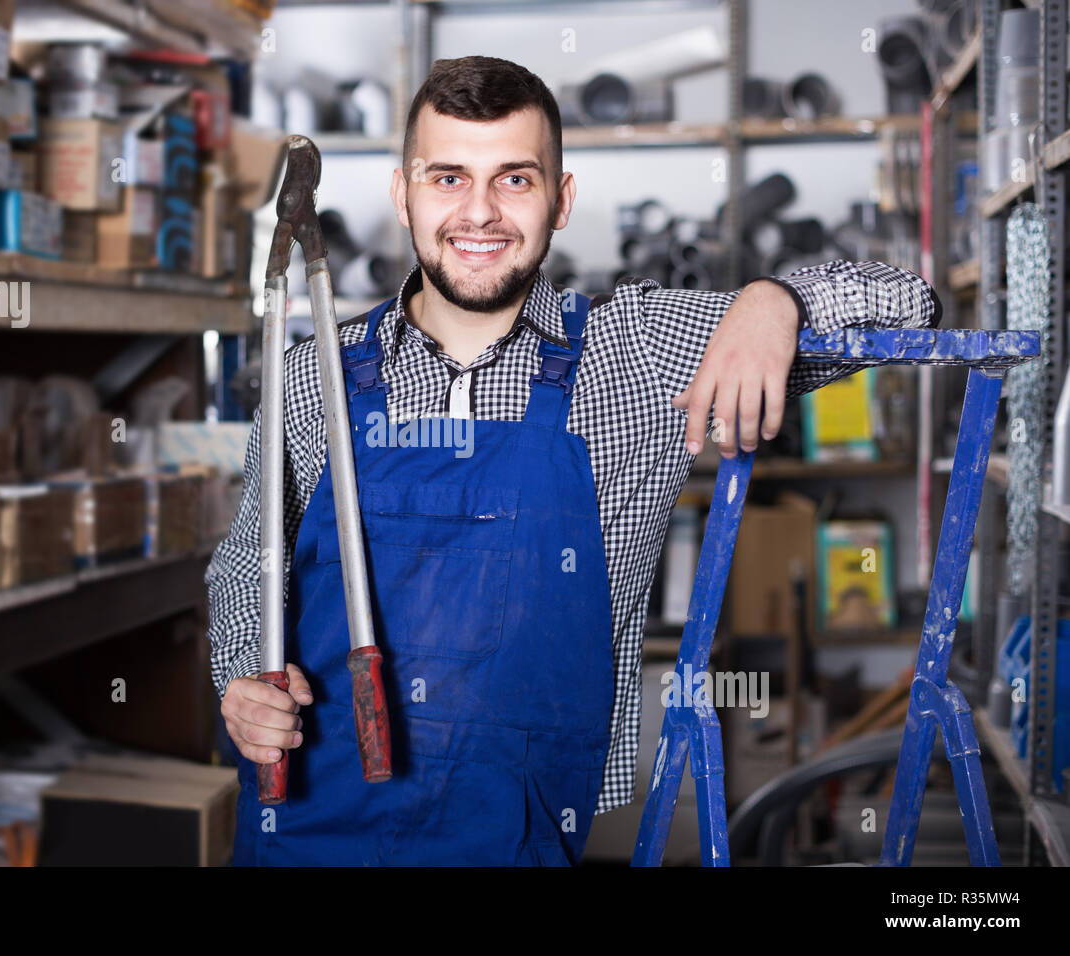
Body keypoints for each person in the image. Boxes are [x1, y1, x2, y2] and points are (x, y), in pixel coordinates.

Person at [206, 55, 940, 866]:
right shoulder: (317, 376)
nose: (478, 213)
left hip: (516, 837)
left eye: (514, 180)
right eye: (447, 178)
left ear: (561, 200)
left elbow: (914, 302)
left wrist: (776, 302)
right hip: (308, 815)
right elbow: (249, 562)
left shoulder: (635, 354)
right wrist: (244, 677)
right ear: (402, 192)